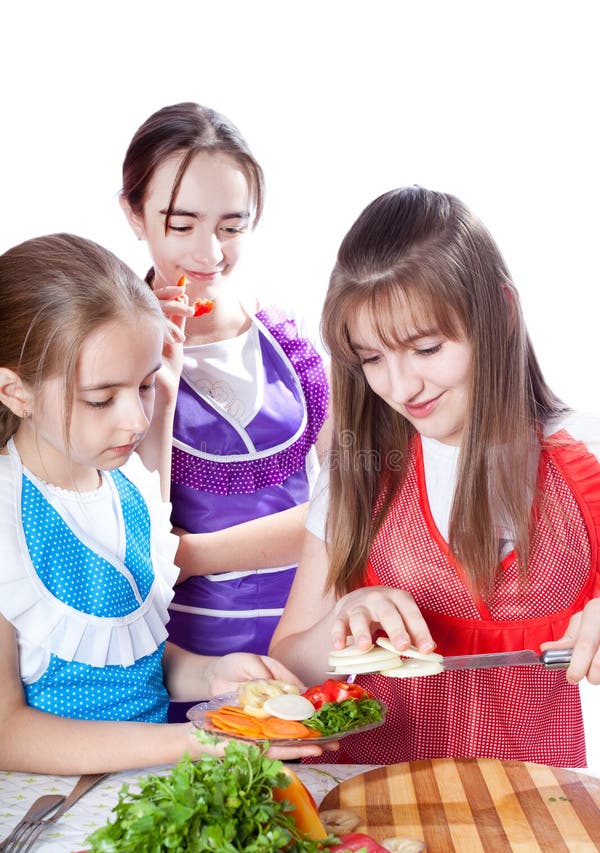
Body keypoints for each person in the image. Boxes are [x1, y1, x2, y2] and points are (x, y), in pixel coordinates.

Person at [269, 185, 600, 768]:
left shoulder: (585, 458)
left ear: (499, 310)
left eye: (425, 348)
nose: (400, 388)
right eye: (371, 358)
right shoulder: (362, 466)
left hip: (533, 811)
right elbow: (289, 662)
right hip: (371, 797)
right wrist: (344, 622)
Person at [0, 233, 332, 775]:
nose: (135, 420)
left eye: (147, 387)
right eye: (101, 399)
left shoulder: (128, 488)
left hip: (150, 789)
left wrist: (212, 675)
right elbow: (7, 733)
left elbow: (138, 663)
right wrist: (199, 741)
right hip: (46, 810)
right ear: (15, 392)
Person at [119, 103, 330, 721]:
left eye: (232, 227)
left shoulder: (292, 345)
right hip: (191, 667)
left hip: (313, 646)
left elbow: (361, 501)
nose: (209, 253)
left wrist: (190, 553)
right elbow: (132, 545)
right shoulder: (107, 360)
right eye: (182, 225)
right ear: (134, 215)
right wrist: (160, 384)